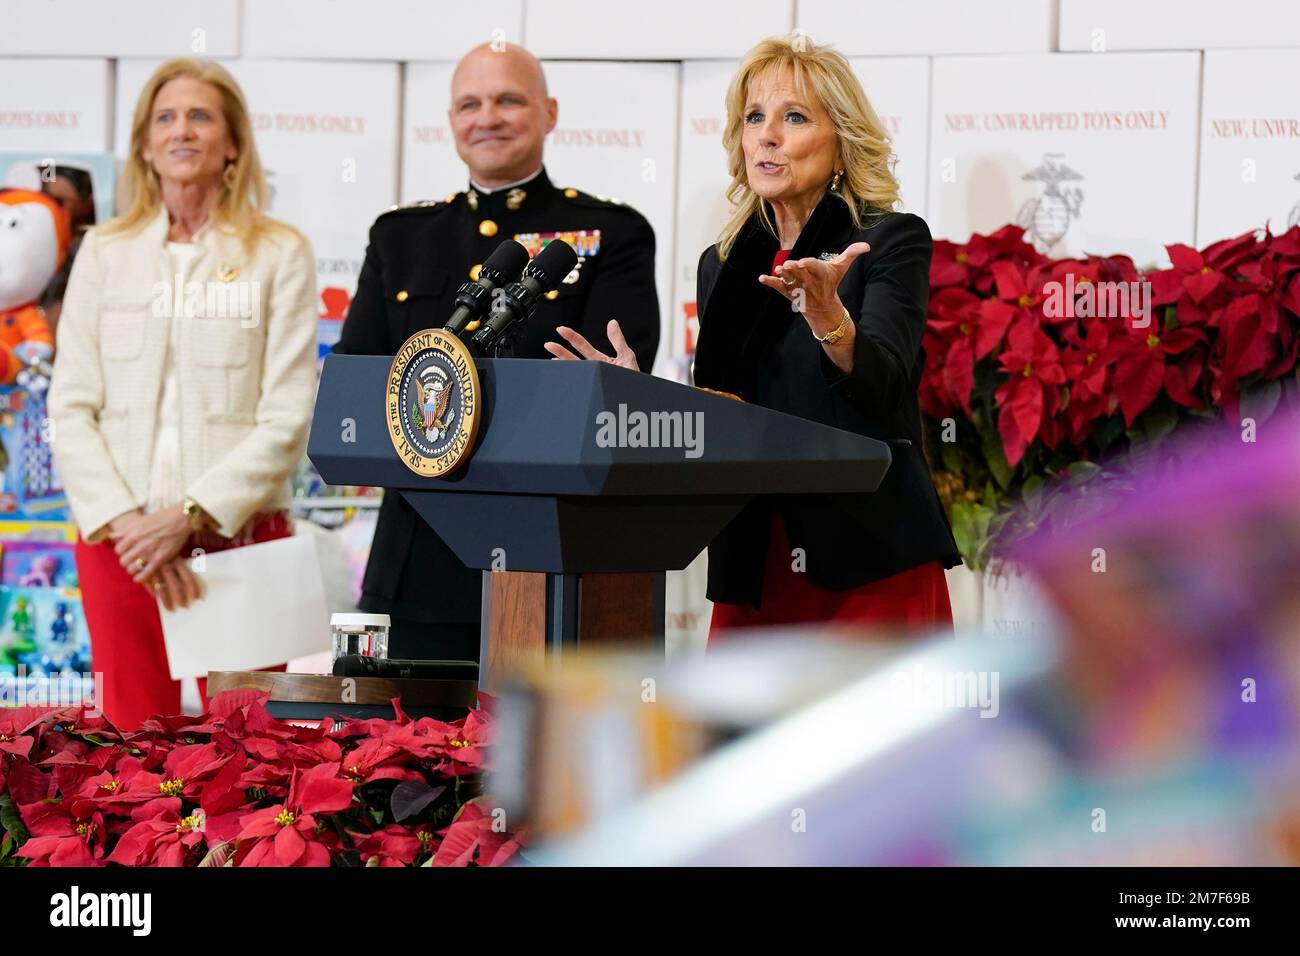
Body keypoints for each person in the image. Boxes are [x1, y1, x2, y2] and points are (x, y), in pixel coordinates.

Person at [559, 35, 961, 637]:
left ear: (843, 144)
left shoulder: (887, 240)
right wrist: (639, 399)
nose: (766, 135)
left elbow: (884, 389)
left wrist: (830, 318)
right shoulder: (721, 263)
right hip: (755, 561)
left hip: (866, 559)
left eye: (793, 117)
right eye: (753, 118)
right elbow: (727, 418)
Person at [335, 42, 660, 662]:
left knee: (549, 754)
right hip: (417, 558)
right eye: (469, 103)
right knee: (400, 751)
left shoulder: (611, 233)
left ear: (549, 112)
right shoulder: (401, 236)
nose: (487, 116)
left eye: (509, 99)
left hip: (556, 549)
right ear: (451, 120)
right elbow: (358, 381)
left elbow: (612, 390)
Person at [47, 58, 319, 728]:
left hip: (238, 540)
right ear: (144, 143)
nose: (182, 130)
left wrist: (188, 518)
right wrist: (127, 523)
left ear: (232, 143)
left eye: (201, 116)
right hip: (121, 545)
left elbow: (287, 417)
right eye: (165, 117)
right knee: (130, 747)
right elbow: (70, 405)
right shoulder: (105, 252)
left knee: (249, 750)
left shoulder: (279, 252)